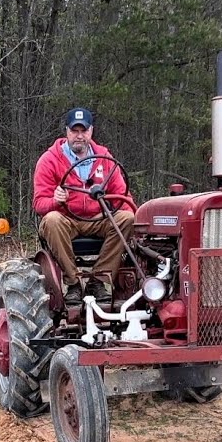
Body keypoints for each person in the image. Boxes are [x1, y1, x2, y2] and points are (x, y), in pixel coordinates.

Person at [32, 107, 136, 306]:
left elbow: (123, 197)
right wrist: (55, 200)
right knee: (51, 220)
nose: (79, 136)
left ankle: (98, 281)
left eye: (83, 131)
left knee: (127, 218)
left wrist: (136, 223)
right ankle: (73, 284)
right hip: (66, 221)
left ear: (91, 131)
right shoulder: (49, 160)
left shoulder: (105, 159)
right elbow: (39, 204)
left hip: (98, 219)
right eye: (74, 131)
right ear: (67, 132)